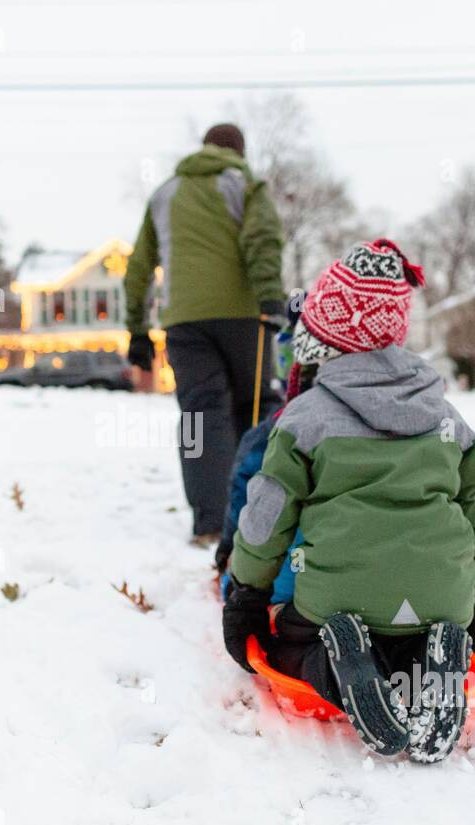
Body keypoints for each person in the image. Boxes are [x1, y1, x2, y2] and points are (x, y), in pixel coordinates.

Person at [220, 239, 475, 763]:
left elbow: (265, 518)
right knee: (407, 639)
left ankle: (332, 665)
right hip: (438, 600)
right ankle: (436, 659)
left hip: (336, 604)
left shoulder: (307, 420)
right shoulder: (447, 418)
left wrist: (249, 595)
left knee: (287, 646)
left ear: (327, 342)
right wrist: (468, 588)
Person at [122, 123, 286, 545]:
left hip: (184, 322)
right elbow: (263, 239)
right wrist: (271, 297)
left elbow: (138, 266)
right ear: (239, 151)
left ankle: (210, 524)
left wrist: (138, 332)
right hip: (243, 318)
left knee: (198, 415)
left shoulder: (165, 192)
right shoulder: (247, 183)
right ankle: (259, 518)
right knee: (254, 409)